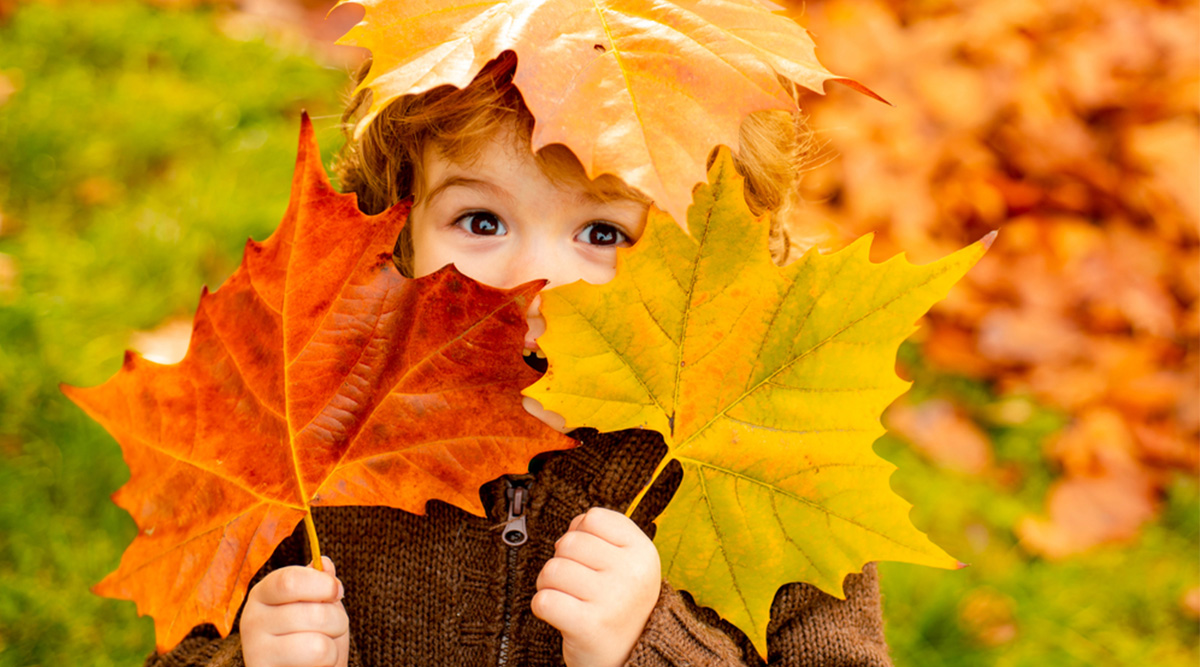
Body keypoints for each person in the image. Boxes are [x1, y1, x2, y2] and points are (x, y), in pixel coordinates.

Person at [148, 53, 893, 667]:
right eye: (481, 221)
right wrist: (250, 657)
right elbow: (183, 643)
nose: (532, 283)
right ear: (397, 232)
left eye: (602, 233)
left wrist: (647, 646)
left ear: (709, 264)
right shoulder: (311, 438)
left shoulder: (770, 467)